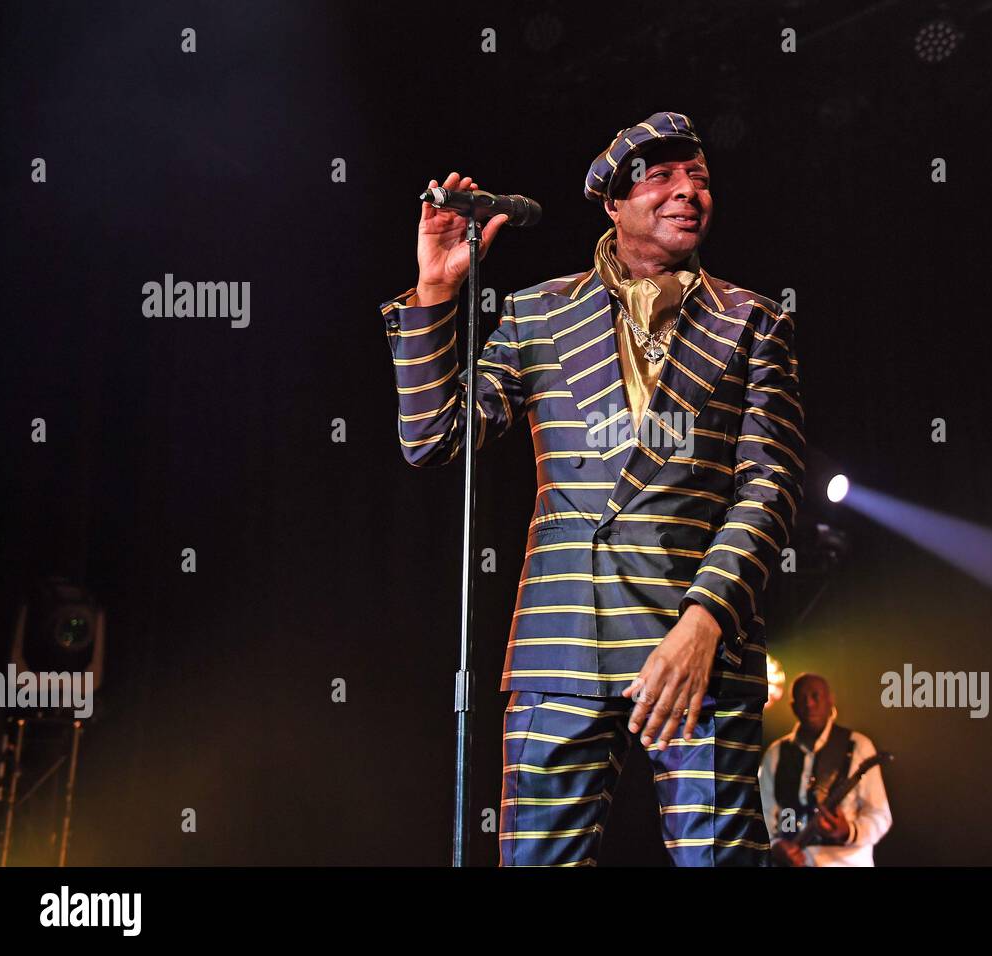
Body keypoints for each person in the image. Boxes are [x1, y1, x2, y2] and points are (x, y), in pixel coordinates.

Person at [380, 112, 804, 866]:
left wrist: (704, 624)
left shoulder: (753, 320)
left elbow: (769, 484)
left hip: (696, 644)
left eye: (699, 178)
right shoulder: (539, 312)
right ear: (612, 201)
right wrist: (435, 291)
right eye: (663, 176)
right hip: (562, 642)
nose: (687, 192)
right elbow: (434, 437)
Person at [759, 673, 892, 866]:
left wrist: (849, 831)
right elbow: (763, 812)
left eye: (815, 696)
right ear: (793, 706)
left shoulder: (858, 745)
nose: (809, 704)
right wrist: (776, 844)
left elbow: (880, 815)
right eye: (802, 699)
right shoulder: (775, 753)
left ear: (830, 700)